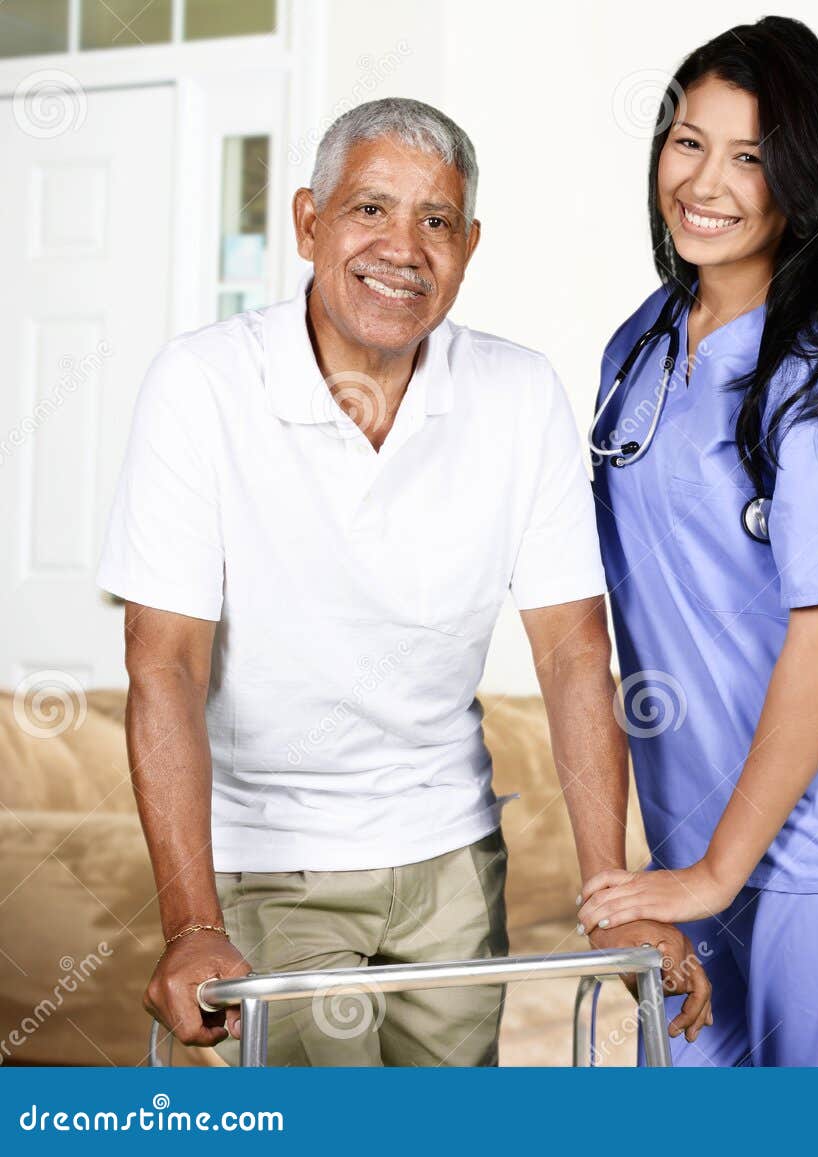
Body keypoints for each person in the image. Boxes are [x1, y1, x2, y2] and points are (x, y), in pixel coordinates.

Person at [100, 97, 708, 1066]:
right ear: (308, 221)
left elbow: (571, 648)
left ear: (468, 245)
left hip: (452, 860)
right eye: (370, 210)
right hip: (270, 859)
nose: (403, 246)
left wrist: (609, 891)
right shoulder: (202, 385)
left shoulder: (517, 391)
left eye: (435, 220)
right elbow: (163, 664)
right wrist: (188, 923)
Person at [578, 17, 818, 1066]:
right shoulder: (642, 340)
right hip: (695, 829)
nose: (706, 179)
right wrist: (695, 867)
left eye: (750, 156)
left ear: (802, 173)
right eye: (688, 141)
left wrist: (715, 872)